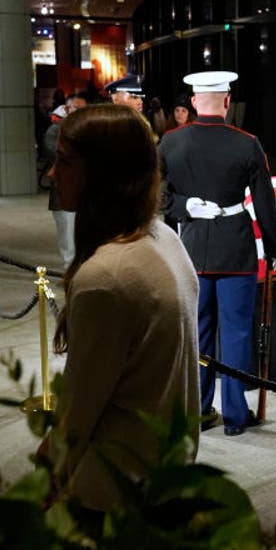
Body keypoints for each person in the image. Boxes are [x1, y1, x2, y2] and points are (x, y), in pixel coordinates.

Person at [43, 103, 200, 514]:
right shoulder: (164, 238)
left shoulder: (106, 275)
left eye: (64, 162)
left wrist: (35, 489)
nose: (52, 174)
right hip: (166, 475)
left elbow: (77, 414)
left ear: (102, 172)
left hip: (114, 494)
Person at [159, 70, 276, 436]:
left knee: (200, 332)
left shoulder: (170, 142)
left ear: (195, 102)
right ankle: (234, 416)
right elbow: (264, 202)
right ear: (227, 102)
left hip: (192, 249)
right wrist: (273, 246)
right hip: (236, 250)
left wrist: (184, 205)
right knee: (237, 334)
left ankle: (198, 409)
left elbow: (154, 193)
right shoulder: (247, 144)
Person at [42, 99, 80, 271]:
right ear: (66, 108)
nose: (78, 111)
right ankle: (69, 268)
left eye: (82, 108)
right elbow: (53, 154)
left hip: (83, 191)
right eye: (75, 107)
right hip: (62, 191)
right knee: (67, 232)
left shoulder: (87, 129)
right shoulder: (55, 130)